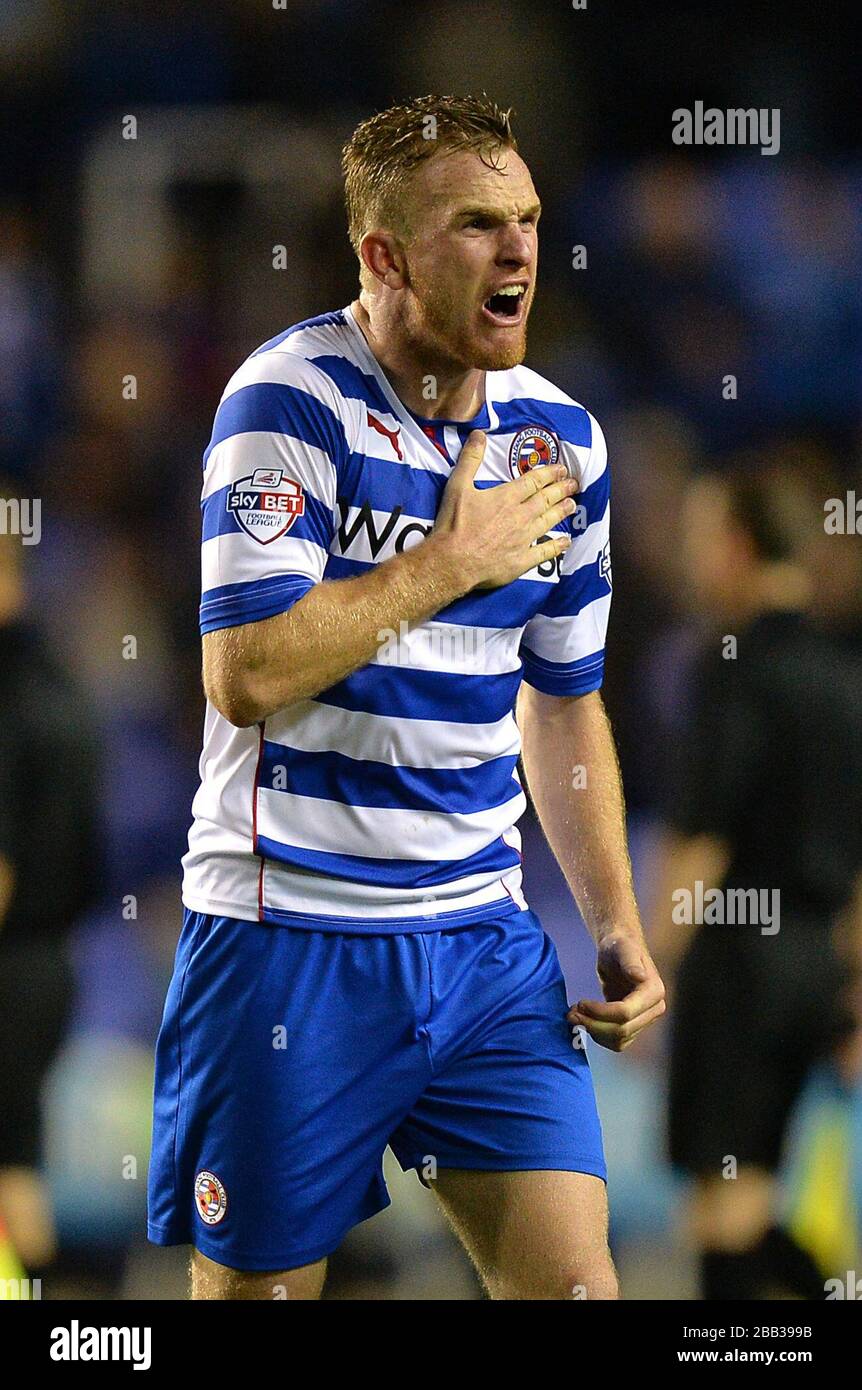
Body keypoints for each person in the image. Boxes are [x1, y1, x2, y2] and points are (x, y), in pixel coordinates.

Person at [147, 94, 665, 1301]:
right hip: (290, 943)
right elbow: (246, 675)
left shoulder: (562, 442)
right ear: (381, 255)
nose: (522, 252)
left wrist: (612, 919)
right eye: (479, 225)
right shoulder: (287, 403)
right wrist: (448, 563)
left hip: (483, 943)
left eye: (528, 220)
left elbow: (562, 698)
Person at [650, 463, 862, 1300]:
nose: (691, 556)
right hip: (815, 958)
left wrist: (645, 961)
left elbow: (703, 841)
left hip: (738, 962)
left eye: (701, 537)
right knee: (756, 1195)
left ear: (737, 546)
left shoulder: (731, 666)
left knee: (721, 1210)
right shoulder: (846, 672)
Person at [0, 487, 102, 1289]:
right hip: (50, 969)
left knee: (9, 1182)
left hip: (7, 967)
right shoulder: (63, 685)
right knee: (17, 1172)